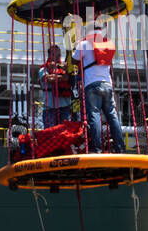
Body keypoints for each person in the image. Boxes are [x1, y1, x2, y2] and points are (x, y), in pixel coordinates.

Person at [74, 18, 124, 154]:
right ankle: (120, 148)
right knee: (112, 116)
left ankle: (96, 149)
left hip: (91, 84)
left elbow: (74, 58)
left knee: (94, 116)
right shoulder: (109, 44)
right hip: (107, 84)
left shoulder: (84, 44)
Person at [37, 43, 71, 130]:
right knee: (50, 134)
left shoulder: (65, 67)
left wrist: (57, 69)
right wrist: (62, 77)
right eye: (54, 54)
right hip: (50, 108)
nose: (57, 56)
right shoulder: (43, 69)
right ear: (49, 55)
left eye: (58, 54)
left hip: (65, 107)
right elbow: (47, 78)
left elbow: (68, 77)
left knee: (64, 134)